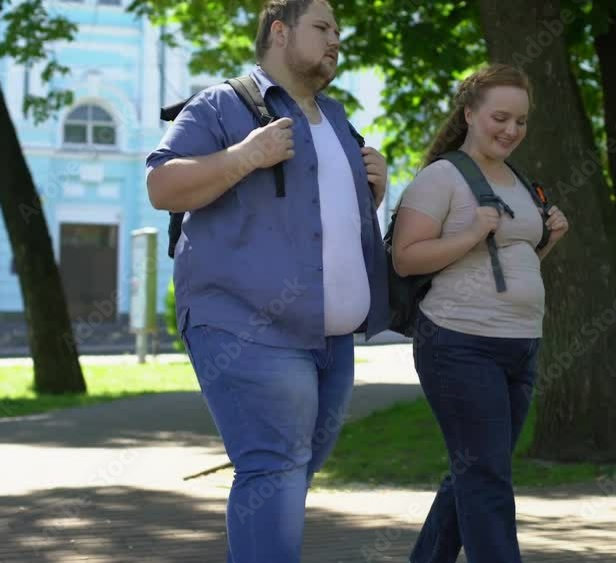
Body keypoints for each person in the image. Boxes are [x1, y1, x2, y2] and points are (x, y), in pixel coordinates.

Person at [144, 1, 389, 561]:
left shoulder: (334, 116)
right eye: (322, 28)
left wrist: (371, 189)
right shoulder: (221, 105)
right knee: (275, 466)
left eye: (338, 32)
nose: (335, 41)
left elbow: (323, 219)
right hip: (247, 326)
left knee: (289, 471)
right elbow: (162, 186)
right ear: (280, 32)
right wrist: (244, 155)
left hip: (332, 340)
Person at [391, 64, 569, 563]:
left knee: (477, 471)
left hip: (520, 344)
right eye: (500, 117)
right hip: (459, 344)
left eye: (521, 121)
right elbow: (406, 257)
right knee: (487, 476)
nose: (511, 130)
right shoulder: (442, 177)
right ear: (469, 113)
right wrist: (470, 233)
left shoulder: (517, 179)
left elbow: (513, 264)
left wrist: (548, 239)